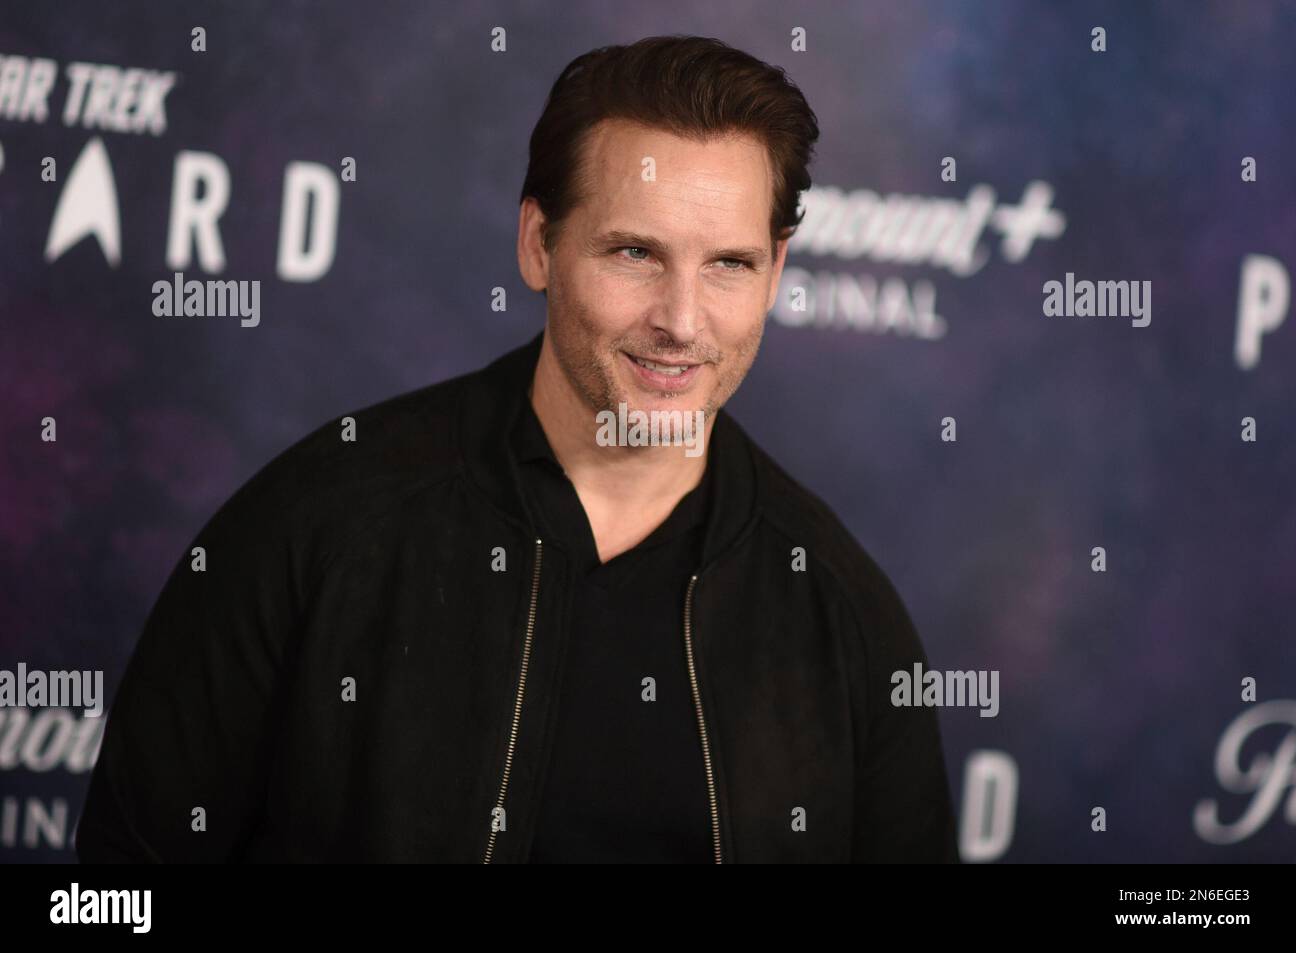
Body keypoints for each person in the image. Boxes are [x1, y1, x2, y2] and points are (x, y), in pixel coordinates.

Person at [76, 34, 958, 863]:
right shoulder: (315, 526)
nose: (682, 322)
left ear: (777, 269)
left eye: (728, 264)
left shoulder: (845, 618)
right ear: (539, 243)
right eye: (633, 252)